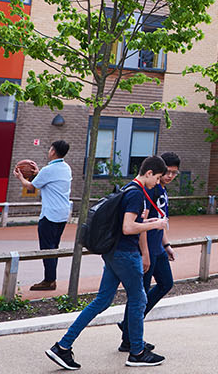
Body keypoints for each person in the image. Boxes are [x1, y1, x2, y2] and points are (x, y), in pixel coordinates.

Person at [46, 155, 169, 370]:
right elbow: (128, 228)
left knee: (102, 301)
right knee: (139, 300)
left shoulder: (127, 188)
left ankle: (63, 346)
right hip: (126, 254)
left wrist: (149, 222)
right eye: (157, 178)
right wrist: (155, 225)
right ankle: (137, 352)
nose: (158, 183)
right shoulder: (137, 195)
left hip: (113, 253)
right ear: (148, 173)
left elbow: (129, 223)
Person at [118, 152, 180, 351]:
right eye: (167, 172)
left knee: (166, 283)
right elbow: (141, 223)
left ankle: (129, 324)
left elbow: (160, 220)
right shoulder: (149, 190)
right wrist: (144, 253)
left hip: (158, 248)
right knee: (139, 295)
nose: (170, 176)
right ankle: (129, 338)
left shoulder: (161, 190)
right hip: (147, 250)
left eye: (174, 173)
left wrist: (166, 244)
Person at [16, 139, 73, 291]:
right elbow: (48, 179)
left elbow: (31, 186)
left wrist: (21, 177)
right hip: (62, 214)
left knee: (47, 248)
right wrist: (37, 173)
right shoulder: (66, 168)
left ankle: (49, 281)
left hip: (49, 214)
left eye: (50, 149)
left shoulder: (48, 170)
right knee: (54, 247)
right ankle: (51, 278)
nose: (49, 151)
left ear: (53, 151)